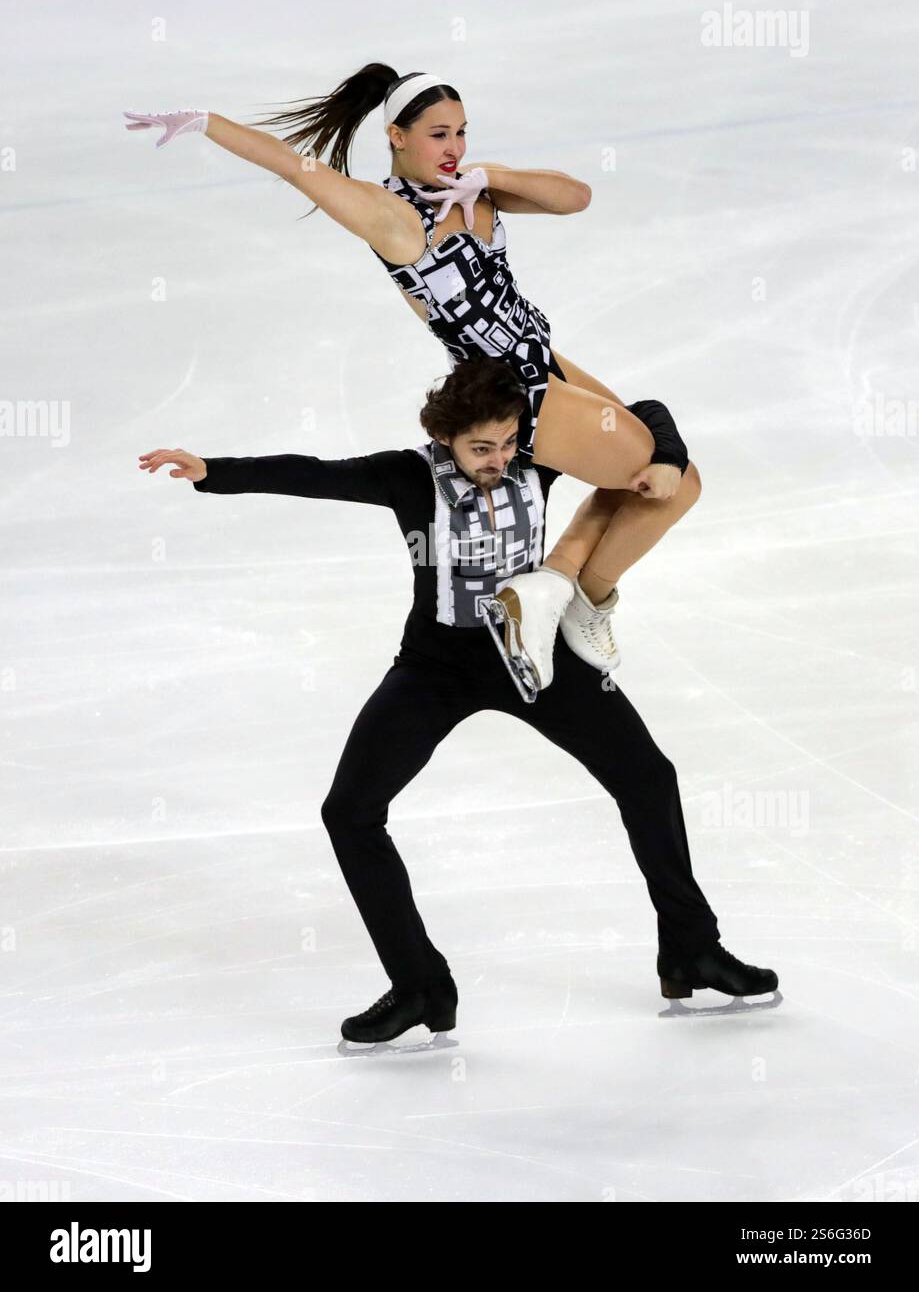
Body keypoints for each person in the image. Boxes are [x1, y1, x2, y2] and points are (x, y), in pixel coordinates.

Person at [138, 358, 779, 1045]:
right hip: (435, 666)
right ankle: (420, 985)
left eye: (507, 443)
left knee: (648, 778)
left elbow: (643, 415)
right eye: (482, 448)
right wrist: (212, 470)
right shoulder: (406, 476)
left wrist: (671, 463)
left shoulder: (536, 459)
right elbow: (313, 473)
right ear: (445, 437)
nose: (498, 460)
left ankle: (689, 948)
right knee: (350, 813)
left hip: (532, 654)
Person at [123, 69, 701, 696]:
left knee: (643, 471)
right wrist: (209, 122)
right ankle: (579, 598)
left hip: (545, 360)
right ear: (397, 136)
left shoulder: (473, 191)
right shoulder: (394, 217)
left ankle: (555, 588)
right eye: (437, 135)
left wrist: (489, 177)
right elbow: (296, 167)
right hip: (513, 390)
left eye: (460, 133)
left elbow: (577, 198)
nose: (452, 148)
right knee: (676, 484)